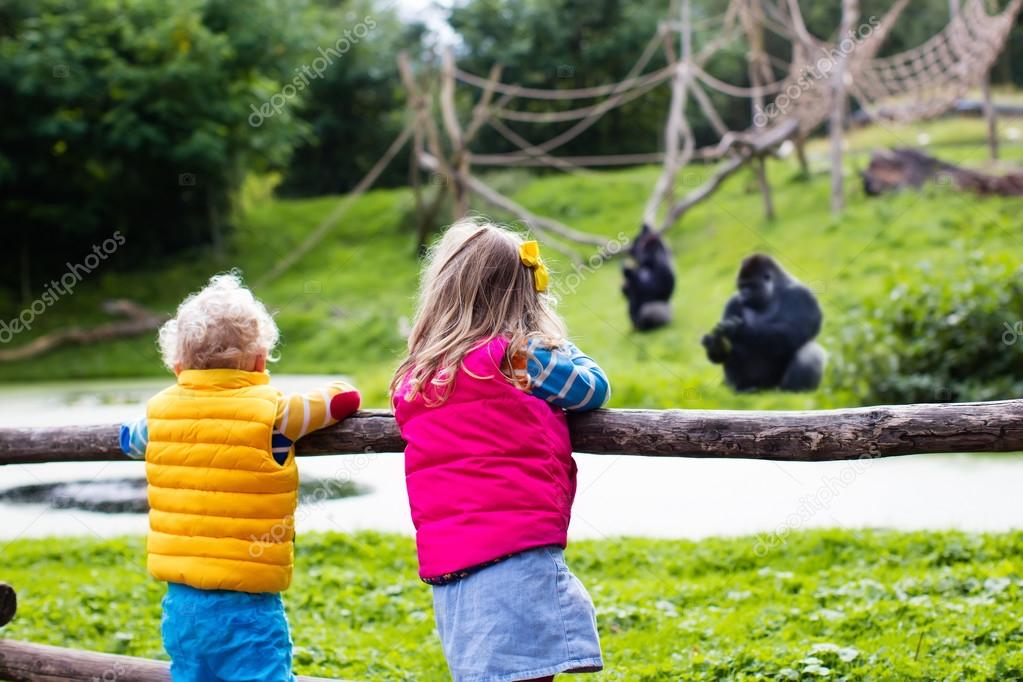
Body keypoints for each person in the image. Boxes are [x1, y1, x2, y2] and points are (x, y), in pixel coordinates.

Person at [391, 218, 610, 682]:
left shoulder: (418, 378)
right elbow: (593, 389)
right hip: (517, 557)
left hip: (451, 569)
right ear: (523, 297)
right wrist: (564, 344)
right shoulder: (518, 359)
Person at [120, 272, 360, 682]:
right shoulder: (275, 413)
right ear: (260, 360)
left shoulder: (158, 414)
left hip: (182, 606)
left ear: (177, 364)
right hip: (247, 606)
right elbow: (344, 398)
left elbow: (128, 439)